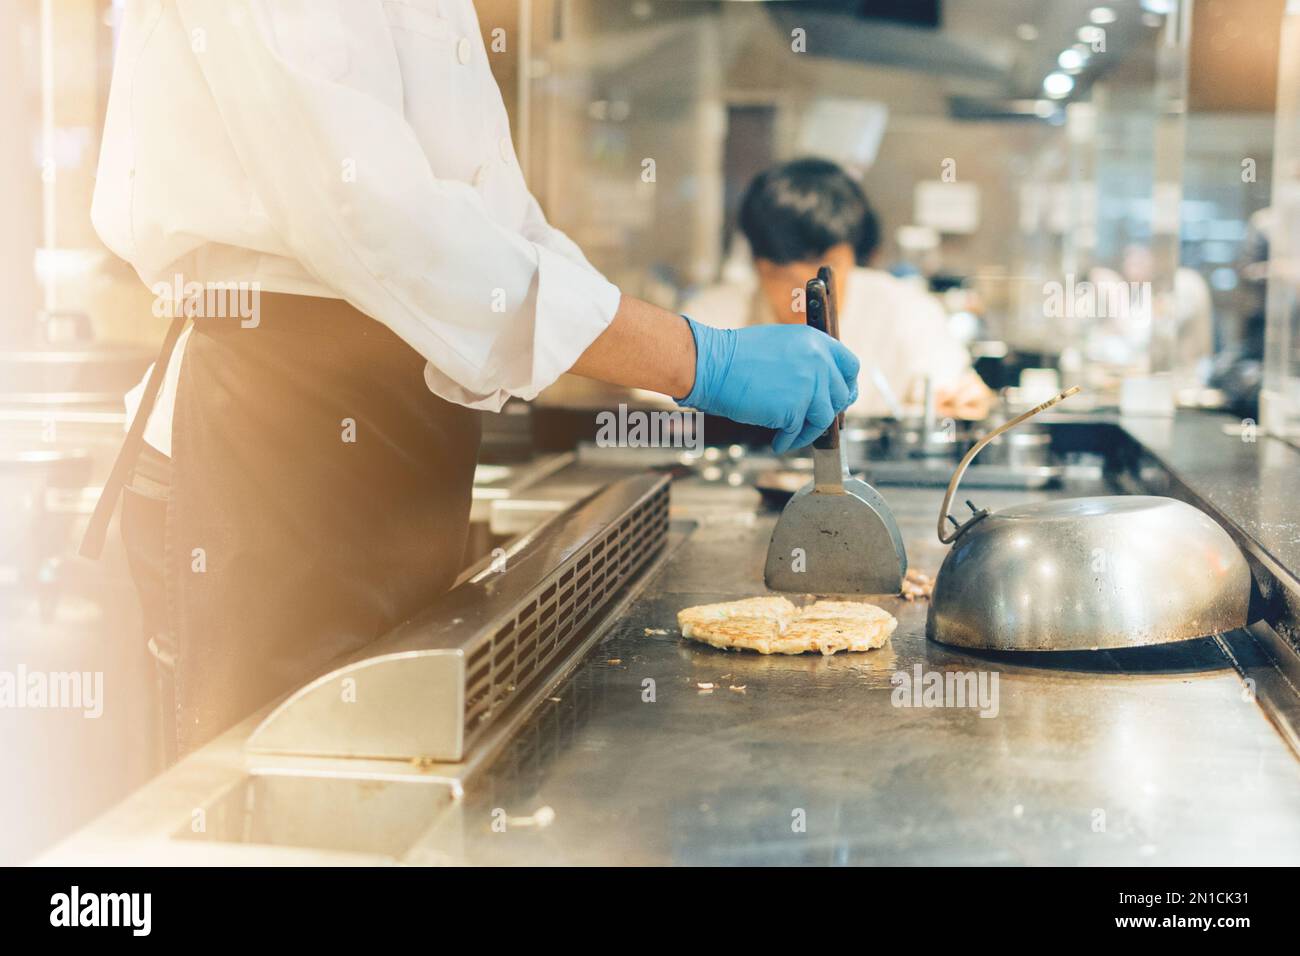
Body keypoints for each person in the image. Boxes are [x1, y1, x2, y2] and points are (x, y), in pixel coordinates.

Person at [87, 1, 859, 758]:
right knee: (287, 780)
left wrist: (692, 351)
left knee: (390, 758)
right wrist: (697, 359)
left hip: (402, 438)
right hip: (271, 432)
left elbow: (502, 228)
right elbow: (369, 213)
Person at [685, 158, 992, 420]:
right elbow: (656, 413)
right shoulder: (711, 320)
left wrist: (965, 401)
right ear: (756, 265)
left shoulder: (905, 310)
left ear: (853, 257)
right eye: (781, 275)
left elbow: (958, 391)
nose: (804, 297)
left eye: (825, 274)